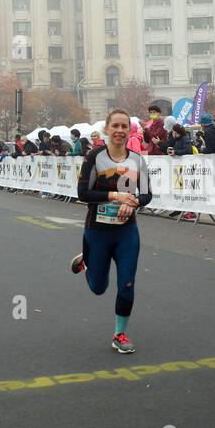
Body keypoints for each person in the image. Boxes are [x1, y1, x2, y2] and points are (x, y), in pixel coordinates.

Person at [69, 109, 152, 354]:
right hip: (98, 232)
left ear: (130, 130)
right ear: (107, 129)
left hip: (126, 232)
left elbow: (147, 194)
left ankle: (119, 334)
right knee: (98, 287)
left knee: (127, 284)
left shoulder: (137, 160)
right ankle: (87, 261)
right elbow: (83, 194)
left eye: (124, 126)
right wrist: (115, 195)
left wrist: (133, 202)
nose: (119, 130)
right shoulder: (94, 156)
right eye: (115, 126)